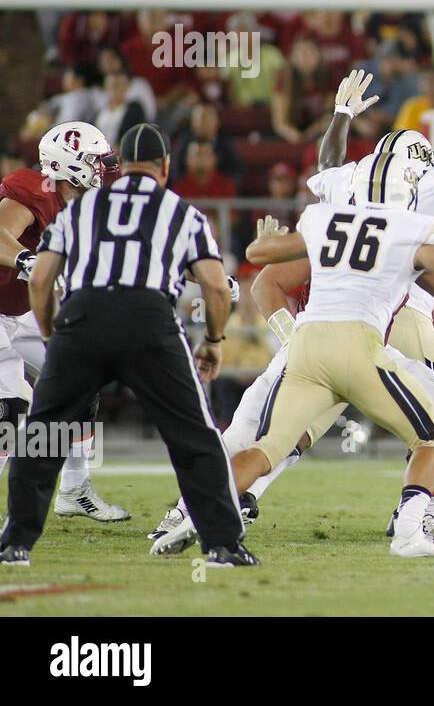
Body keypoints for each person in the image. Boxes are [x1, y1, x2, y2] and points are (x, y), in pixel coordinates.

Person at [230, 153, 434, 559]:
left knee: (264, 442)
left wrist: (267, 253)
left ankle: (199, 514)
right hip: (360, 346)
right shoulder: (406, 228)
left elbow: (259, 260)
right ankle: (413, 527)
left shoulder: (322, 218)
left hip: (312, 345)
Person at [0, 123, 252, 568]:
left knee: (42, 430)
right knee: (195, 435)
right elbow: (213, 285)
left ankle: (16, 542)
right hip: (150, 323)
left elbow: (41, 277)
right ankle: (223, 545)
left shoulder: (84, 209)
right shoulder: (179, 210)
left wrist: (50, 333)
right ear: (166, 166)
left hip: (79, 321)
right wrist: (213, 339)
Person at [0, 122, 130, 521]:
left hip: (19, 312)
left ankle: (74, 490)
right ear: (69, 163)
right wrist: (25, 258)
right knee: (12, 403)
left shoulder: (87, 208)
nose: (104, 167)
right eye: (95, 159)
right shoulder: (34, 191)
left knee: (80, 376)